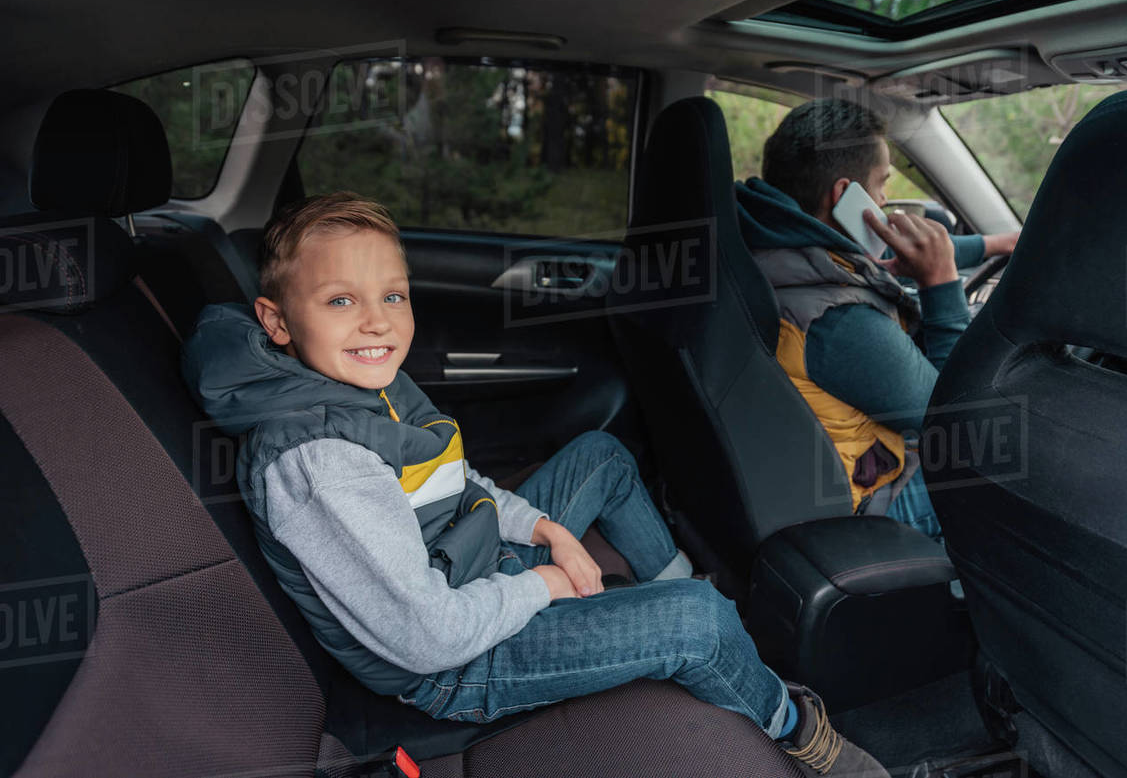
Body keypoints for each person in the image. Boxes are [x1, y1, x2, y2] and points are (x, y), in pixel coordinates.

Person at [181, 192, 888, 776]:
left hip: (469, 561)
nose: (377, 320)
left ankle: (672, 591)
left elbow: (455, 477)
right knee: (698, 623)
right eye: (341, 301)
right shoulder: (318, 460)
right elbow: (429, 637)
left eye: (392, 294)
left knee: (601, 458)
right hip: (457, 661)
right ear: (275, 321)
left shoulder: (364, 384)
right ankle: (795, 726)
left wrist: (543, 529)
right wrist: (547, 582)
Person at [737, 99, 1019, 537]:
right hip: (868, 507)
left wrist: (997, 243)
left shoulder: (769, 247)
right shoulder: (839, 320)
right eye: (882, 186)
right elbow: (959, 427)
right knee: (1012, 464)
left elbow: (889, 252)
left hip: (792, 480)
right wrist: (941, 286)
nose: (885, 202)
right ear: (845, 195)